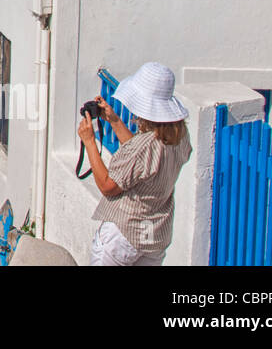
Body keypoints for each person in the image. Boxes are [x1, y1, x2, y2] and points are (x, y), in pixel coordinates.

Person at [78, 62, 192, 266]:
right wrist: (114, 120)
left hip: (124, 234)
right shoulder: (179, 136)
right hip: (154, 236)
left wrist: (89, 142)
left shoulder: (143, 146)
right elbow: (142, 160)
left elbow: (108, 186)